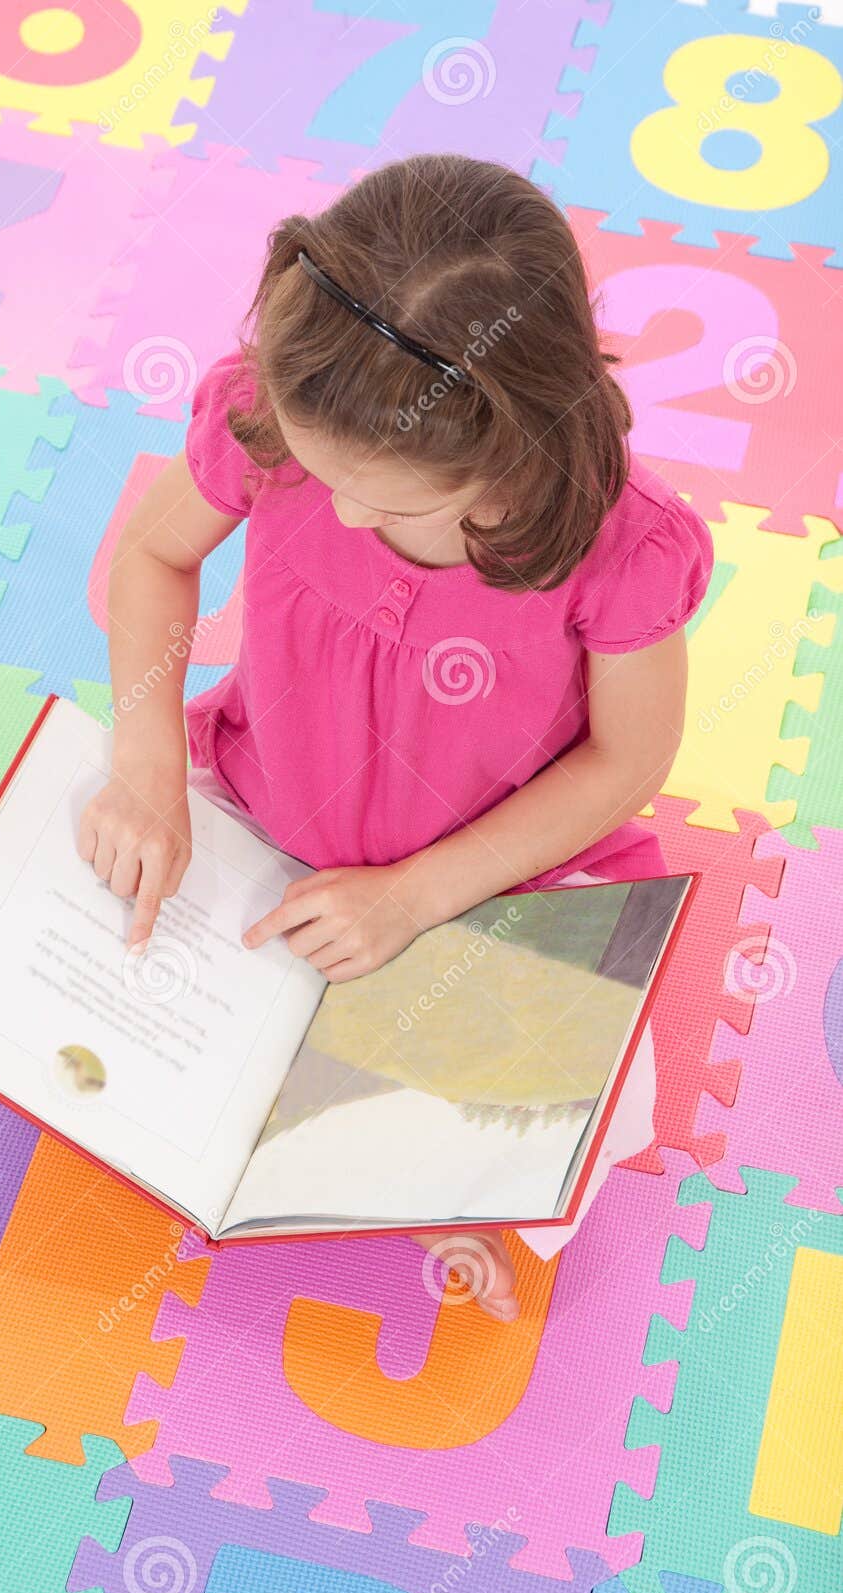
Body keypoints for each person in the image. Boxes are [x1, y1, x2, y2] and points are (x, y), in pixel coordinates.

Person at [78, 155, 712, 1320]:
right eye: (323, 481)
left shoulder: (624, 546)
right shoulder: (273, 415)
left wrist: (416, 896)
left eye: (389, 500)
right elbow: (152, 556)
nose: (346, 516)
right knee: (95, 924)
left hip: (487, 869)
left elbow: (625, 765)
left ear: (513, 439)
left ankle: (459, 1192)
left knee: (578, 1102)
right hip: (263, 801)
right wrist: (146, 767)